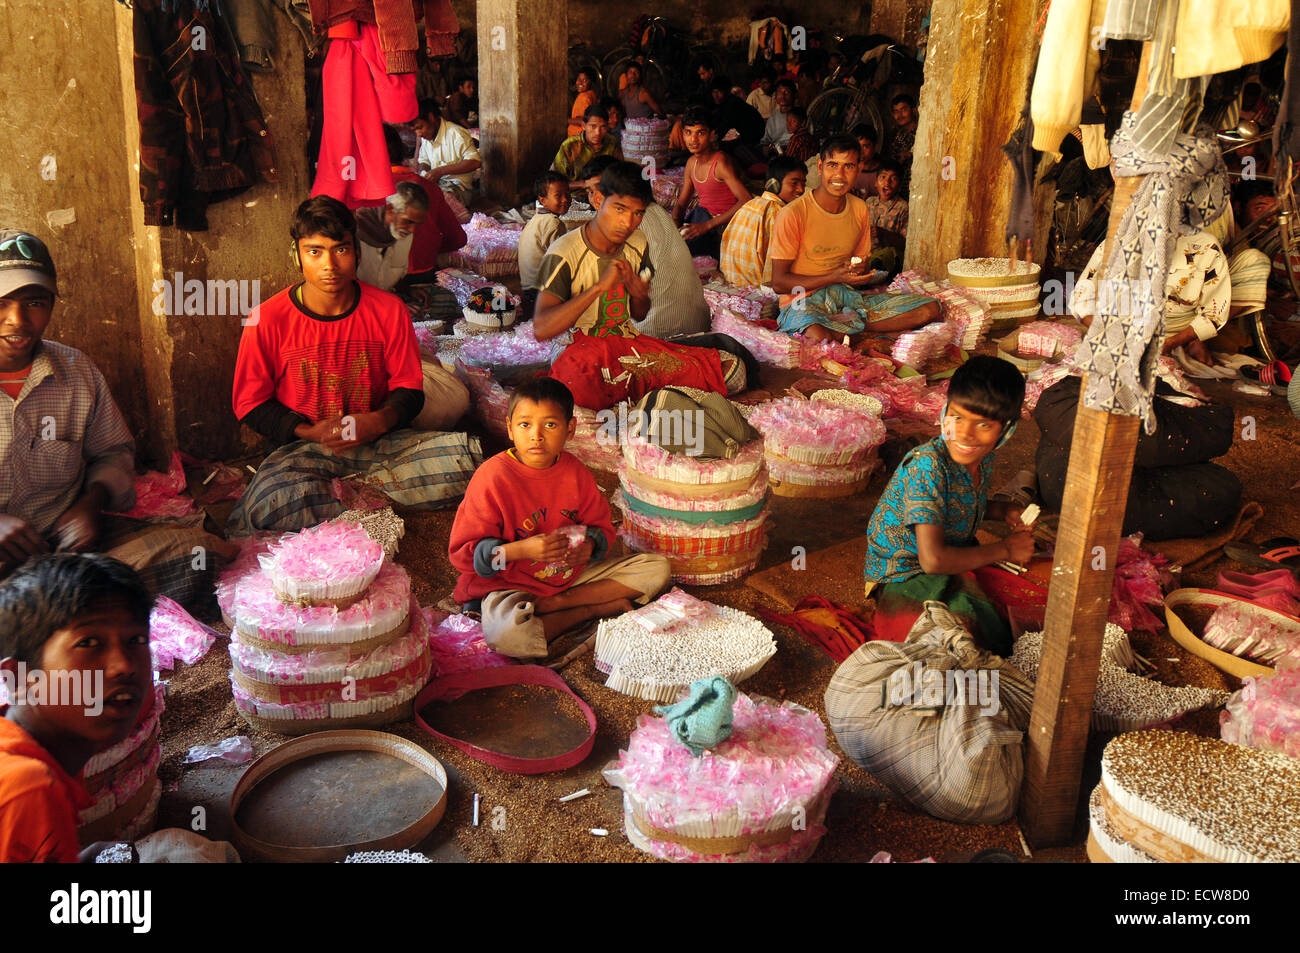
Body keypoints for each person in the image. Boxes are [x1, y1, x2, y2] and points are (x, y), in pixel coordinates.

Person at [0, 230, 228, 614]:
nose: (17, 320)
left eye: (34, 303)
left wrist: (92, 503)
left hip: (68, 547)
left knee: (203, 553)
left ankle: (63, 609)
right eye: (2, 302)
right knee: (62, 606)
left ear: (52, 306)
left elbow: (114, 453)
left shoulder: (76, 371)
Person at [228, 197, 481, 534]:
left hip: (380, 444)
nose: (329, 264)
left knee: (469, 463)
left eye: (341, 250)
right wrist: (307, 431)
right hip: (304, 450)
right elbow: (251, 403)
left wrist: (378, 421)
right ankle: (371, 500)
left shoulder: (388, 310)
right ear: (297, 256)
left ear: (357, 253)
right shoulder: (266, 319)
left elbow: (408, 388)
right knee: (268, 503)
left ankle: (349, 503)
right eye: (314, 251)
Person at [447, 378, 670, 658]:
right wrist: (521, 550)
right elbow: (466, 558)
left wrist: (589, 546)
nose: (536, 435)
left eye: (550, 425)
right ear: (510, 429)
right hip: (508, 586)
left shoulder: (575, 474)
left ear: (570, 429)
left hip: (566, 578)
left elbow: (600, 528)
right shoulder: (493, 479)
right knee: (509, 636)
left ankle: (555, 603)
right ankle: (590, 609)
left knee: (657, 568)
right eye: (525, 425)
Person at [863, 356, 1031, 655]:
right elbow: (932, 562)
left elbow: (964, 503)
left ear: (1006, 431)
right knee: (955, 636)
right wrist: (1005, 549)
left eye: (983, 424)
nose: (964, 434)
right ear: (944, 412)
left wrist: (1002, 511)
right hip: (906, 571)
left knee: (1018, 603)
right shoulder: (928, 466)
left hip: (953, 551)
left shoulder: (983, 458)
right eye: (957, 417)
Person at [0, 554, 155, 862]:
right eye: (88, 643)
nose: (123, 666)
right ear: (20, 677)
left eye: (135, 639)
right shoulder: (27, 787)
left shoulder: (51, 749)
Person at [768, 136, 940, 344]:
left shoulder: (859, 208)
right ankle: (869, 335)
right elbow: (779, 283)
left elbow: (862, 262)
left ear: (858, 169)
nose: (839, 175)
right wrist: (833, 277)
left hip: (846, 298)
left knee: (930, 308)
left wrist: (859, 271)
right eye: (833, 165)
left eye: (848, 166)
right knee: (817, 334)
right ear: (820, 167)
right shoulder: (793, 213)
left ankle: (853, 333)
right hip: (800, 300)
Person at [578, 157, 710, 338]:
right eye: (590, 192)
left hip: (657, 330)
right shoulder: (655, 210)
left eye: (601, 188)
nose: (596, 198)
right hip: (695, 321)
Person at [532, 162, 655, 339]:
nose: (628, 223)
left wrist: (639, 296)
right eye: (620, 209)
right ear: (598, 200)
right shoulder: (564, 252)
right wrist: (598, 288)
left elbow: (639, 314)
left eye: (637, 213)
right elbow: (542, 330)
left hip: (623, 342)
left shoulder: (638, 242)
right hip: (574, 348)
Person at [672, 108, 752, 259]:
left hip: (723, 225)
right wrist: (673, 228)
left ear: (712, 135)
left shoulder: (720, 163)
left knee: (689, 253)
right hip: (703, 219)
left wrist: (707, 225)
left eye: (700, 133)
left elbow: (746, 199)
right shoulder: (691, 163)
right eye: (688, 132)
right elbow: (681, 205)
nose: (693, 140)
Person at [720, 155, 806, 287]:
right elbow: (774, 276)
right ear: (774, 185)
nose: (801, 190)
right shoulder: (780, 214)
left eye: (803, 183)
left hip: (731, 282)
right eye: (794, 183)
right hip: (756, 290)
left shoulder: (751, 204)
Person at [355, 181, 430, 292]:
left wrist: (406, 290)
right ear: (390, 209)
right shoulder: (355, 230)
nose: (412, 229)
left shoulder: (403, 233)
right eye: (408, 221)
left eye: (417, 224)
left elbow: (392, 275)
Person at [519, 171, 571, 316]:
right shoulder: (554, 223)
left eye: (568, 194)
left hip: (528, 286)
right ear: (542, 200)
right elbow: (561, 261)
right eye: (558, 196)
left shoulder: (537, 218)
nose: (565, 199)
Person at [413, 98, 481, 208]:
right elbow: (423, 160)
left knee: (431, 201)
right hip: (439, 185)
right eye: (415, 130)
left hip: (458, 190)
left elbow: (475, 162)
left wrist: (440, 171)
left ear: (431, 118)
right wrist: (423, 172)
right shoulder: (426, 138)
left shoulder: (455, 133)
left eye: (420, 127)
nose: (418, 134)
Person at [553, 105, 623, 184]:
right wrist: (584, 184)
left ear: (607, 126)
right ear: (583, 125)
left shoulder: (612, 143)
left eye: (603, 127)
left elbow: (620, 175)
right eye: (593, 126)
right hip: (576, 194)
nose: (598, 133)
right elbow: (555, 182)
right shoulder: (569, 145)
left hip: (604, 193)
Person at [888, 93, 919, 192]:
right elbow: (894, 166)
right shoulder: (898, 137)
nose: (899, 115)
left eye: (903, 110)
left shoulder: (923, 132)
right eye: (896, 111)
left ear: (914, 110)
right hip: (905, 188)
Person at [760, 80, 797, 154]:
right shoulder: (773, 117)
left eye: (786, 92)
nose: (782, 96)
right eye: (779, 92)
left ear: (794, 95)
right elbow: (765, 141)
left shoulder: (800, 114)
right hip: (776, 152)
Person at [851, 123, 883, 197]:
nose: (861, 152)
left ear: (875, 147)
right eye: (857, 146)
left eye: (865, 146)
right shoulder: (848, 169)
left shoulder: (884, 171)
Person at [567, 69, 600, 137]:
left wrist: (565, 120)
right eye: (578, 79)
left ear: (591, 83)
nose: (579, 82)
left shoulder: (584, 97)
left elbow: (583, 120)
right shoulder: (592, 94)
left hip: (578, 136)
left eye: (584, 80)